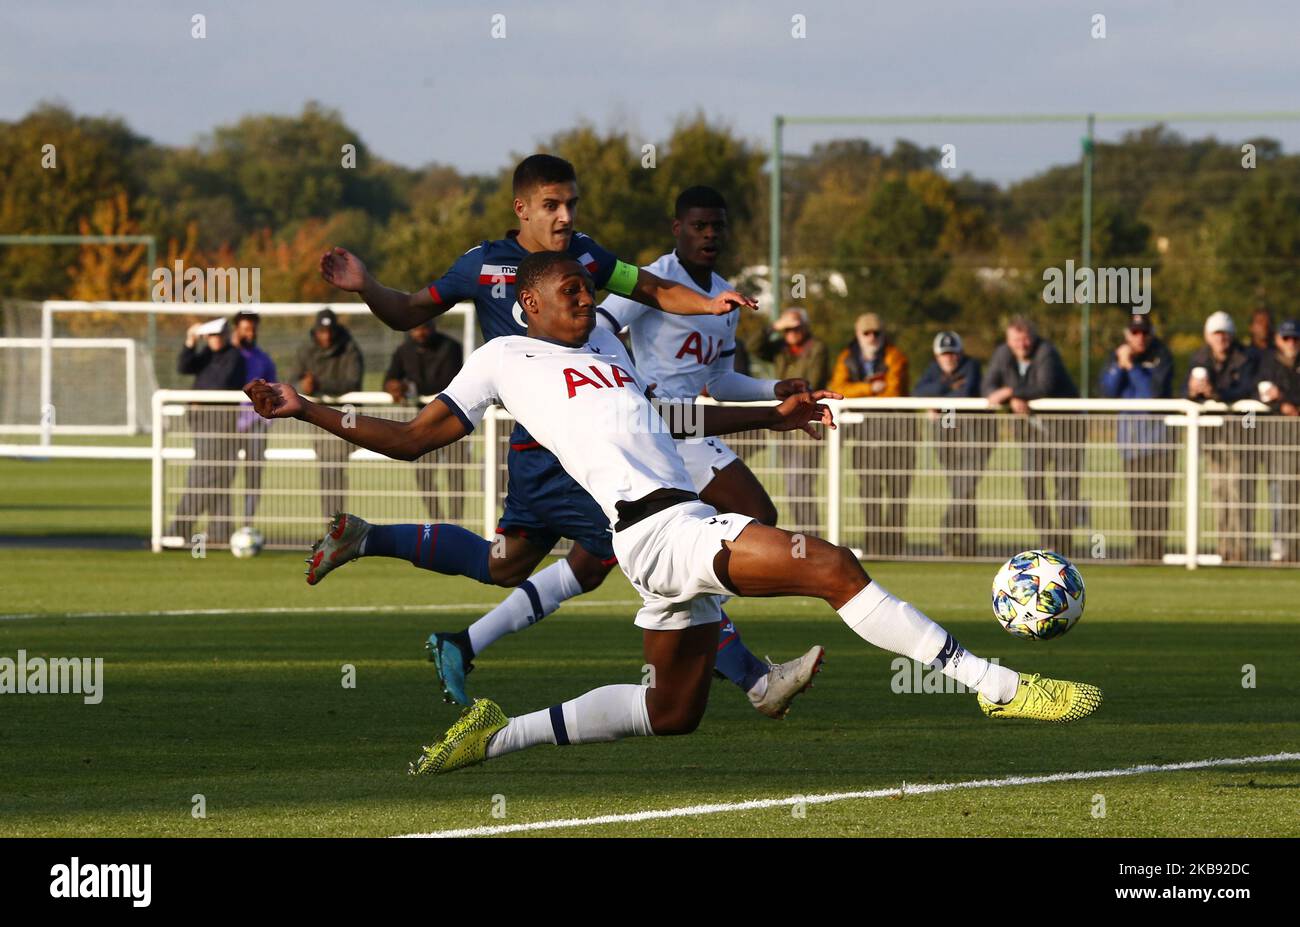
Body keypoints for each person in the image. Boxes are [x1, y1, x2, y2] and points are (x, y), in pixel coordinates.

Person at [244, 251, 1103, 777]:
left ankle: (495, 737)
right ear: (533, 305)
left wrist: (775, 412)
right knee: (832, 563)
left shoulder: (611, 354)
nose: (589, 302)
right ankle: (999, 686)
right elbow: (412, 438)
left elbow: (677, 419)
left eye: (590, 292)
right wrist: (305, 406)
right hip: (664, 530)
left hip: (663, 532)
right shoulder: (505, 355)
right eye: (573, 294)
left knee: (672, 713)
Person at [310, 154, 826, 722]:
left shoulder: (585, 255)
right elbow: (408, 311)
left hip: (577, 443)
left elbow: (649, 287)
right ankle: (756, 681)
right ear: (522, 209)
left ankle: (371, 544)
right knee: (658, 546)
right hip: (558, 451)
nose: (564, 217)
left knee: (506, 564)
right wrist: (367, 286)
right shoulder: (484, 266)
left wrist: (706, 303)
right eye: (552, 206)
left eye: (572, 204)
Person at [586, 185, 824, 715]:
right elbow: (597, 324)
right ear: (678, 229)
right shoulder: (652, 280)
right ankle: (737, 662)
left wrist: (772, 389)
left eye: (717, 226)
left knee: (723, 535)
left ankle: (731, 658)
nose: (709, 234)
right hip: (660, 427)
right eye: (699, 225)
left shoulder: (726, 296)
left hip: (694, 422)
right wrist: (625, 382)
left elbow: (718, 377)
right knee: (755, 517)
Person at [983, 317, 1083, 557]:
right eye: (1017, 339)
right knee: (1031, 482)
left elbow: (1045, 385)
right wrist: (1007, 396)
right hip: (1031, 433)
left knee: (1066, 486)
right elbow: (988, 386)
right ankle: (1048, 541)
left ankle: (1064, 544)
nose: (1022, 344)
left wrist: (1011, 392)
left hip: (1065, 428)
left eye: (1026, 338)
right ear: (1009, 340)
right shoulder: (1002, 354)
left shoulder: (1047, 352)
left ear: (1034, 337)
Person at [829, 312, 913, 557]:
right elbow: (837, 389)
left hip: (897, 433)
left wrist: (861, 393)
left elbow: (893, 391)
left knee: (898, 489)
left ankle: (894, 545)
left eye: (877, 333)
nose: (872, 337)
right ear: (858, 335)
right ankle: (874, 542)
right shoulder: (847, 357)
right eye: (867, 333)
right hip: (863, 434)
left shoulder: (895, 356)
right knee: (869, 489)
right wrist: (869, 388)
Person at [1098, 315, 1175, 562]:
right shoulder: (1116, 356)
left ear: (1151, 333)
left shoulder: (1162, 356)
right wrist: (1120, 366)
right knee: (1138, 500)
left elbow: (1151, 394)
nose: (1139, 337)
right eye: (1135, 332)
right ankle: (1142, 551)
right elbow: (1108, 391)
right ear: (1127, 334)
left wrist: (1132, 367)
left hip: (1160, 443)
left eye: (1144, 332)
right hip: (1131, 444)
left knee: (1158, 500)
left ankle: (1155, 552)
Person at [1185, 311, 1259, 562]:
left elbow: (1247, 388)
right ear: (1208, 336)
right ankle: (1224, 548)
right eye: (1217, 333)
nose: (1222, 338)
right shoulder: (1199, 358)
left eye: (1225, 333)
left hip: (1240, 435)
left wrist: (1217, 393)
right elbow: (1188, 391)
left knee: (1240, 491)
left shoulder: (1245, 358)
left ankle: (1241, 550)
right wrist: (1194, 391)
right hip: (1213, 437)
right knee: (1219, 492)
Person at [170, 317, 246, 546]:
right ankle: (220, 531)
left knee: (205, 476)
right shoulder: (207, 355)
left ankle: (179, 530)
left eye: (218, 335)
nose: (214, 340)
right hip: (203, 423)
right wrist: (190, 342)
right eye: (211, 336)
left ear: (225, 335)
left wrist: (198, 400)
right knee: (217, 476)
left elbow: (221, 384)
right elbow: (183, 367)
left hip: (220, 424)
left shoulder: (234, 356)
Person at [753, 307, 829, 533]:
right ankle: (807, 535)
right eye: (788, 329)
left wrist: (790, 398)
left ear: (806, 327)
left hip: (805, 421)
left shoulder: (817, 349)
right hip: (786, 423)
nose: (792, 332)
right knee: (792, 484)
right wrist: (774, 327)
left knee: (800, 483)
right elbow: (753, 346)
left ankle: (811, 536)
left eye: (796, 327)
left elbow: (811, 382)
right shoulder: (780, 349)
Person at [914, 331, 988, 557]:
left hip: (972, 438)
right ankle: (965, 544)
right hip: (945, 440)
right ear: (937, 356)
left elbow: (966, 394)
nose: (949, 359)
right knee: (961, 489)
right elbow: (918, 392)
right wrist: (948, 387)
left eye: (953, 354)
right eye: (944, 355)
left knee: (965, 488)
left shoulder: (972, 366)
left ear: (960, 354)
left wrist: (939, 396)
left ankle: (950, 534)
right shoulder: (933, 371)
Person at [383, 321, 465, 523]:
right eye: (416, 328)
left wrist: (409, 387)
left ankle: (455, 524)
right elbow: (388, 379)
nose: (420, 332)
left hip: (453, 421)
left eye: (424, 328)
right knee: (424, 476)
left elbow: (446, 385)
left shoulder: (451, 347)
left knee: (456, 475)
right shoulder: (403, 350)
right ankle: (438, 523)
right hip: (423, 425)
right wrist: (394, 386)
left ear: (433, 327)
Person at [291, 308, 364, 518]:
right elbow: (293, 380)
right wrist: (303, 386)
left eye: (329, 331)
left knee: (333, 470)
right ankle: (332, 523)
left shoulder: (349, 347)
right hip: (317, 418)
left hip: (345, 416)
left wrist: (319, 384)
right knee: (328, 471)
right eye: (322, 331)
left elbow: (353, 382)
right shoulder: (305, 350)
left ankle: (335, 523)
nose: (326, 336)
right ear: (316, 331)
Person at [1255, 318, 1300, 562]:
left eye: (1295, 338)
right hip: (1278, 439)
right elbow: (1256, 393)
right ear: (1277, 340)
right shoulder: (1268, 363)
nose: (1291, 343)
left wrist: (1287, 398)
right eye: (1286, 338)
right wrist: (1280, 401)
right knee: (1280, 495)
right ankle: (1282, 546)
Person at [230, 311, 276, 529]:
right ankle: (220, 525)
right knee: (222, 474)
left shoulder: (262, 358)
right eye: (246, 329)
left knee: (253, 475)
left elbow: (274, 389)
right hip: (226, 424)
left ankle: (246, 526)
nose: (250, 334)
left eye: (253, 329)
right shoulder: (226, 355)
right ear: (236, 330)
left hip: (255, 424)